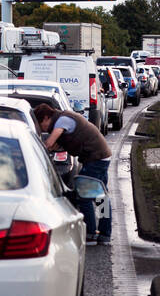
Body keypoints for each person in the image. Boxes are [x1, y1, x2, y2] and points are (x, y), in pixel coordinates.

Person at [33, 103, 112, 245]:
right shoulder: (63, 120)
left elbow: (50, 143)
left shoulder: (62, 120)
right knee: (101, 197)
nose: (41, 128)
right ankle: (105, 234)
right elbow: (58, 144)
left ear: (46, 117)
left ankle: (91, 234)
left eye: (40, 124)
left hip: (95, 157)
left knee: (84, 196)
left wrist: (37, 152)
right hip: (100, 155)